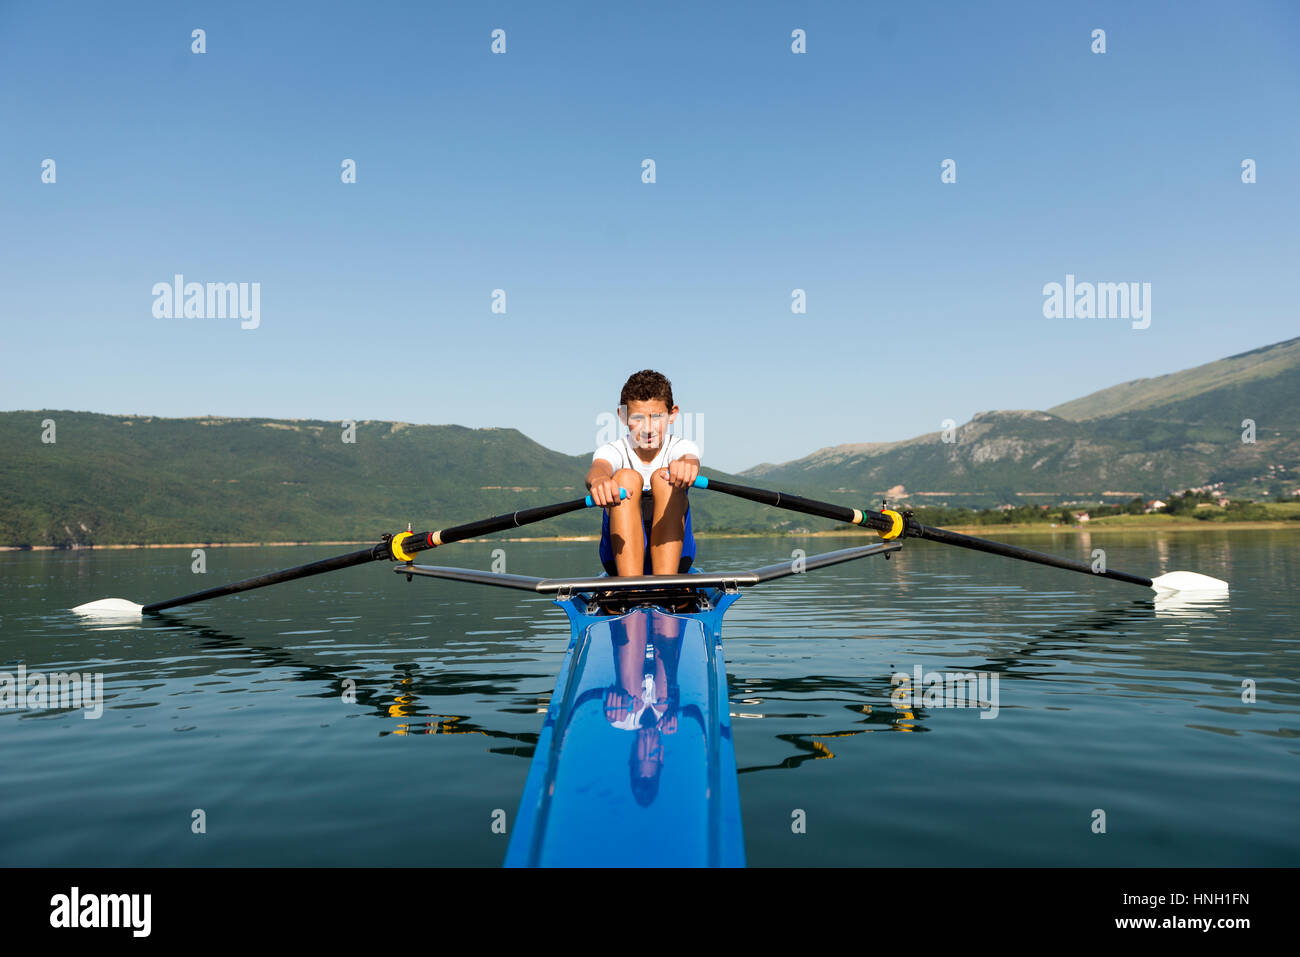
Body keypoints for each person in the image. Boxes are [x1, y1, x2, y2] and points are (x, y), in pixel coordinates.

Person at [586, 370, 699, 576]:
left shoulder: (682, 447)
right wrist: (600, 481)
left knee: (664, 477)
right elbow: (598, 469)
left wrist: (685, 468)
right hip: (617, 563)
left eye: (656, 417)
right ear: (622, 416)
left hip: (678, 560)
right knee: (625, 478)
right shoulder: (612, 450)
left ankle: (665, 584)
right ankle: (630, 586)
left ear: (672, 414)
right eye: (637, 418)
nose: (648, 428)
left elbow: (689, 460)